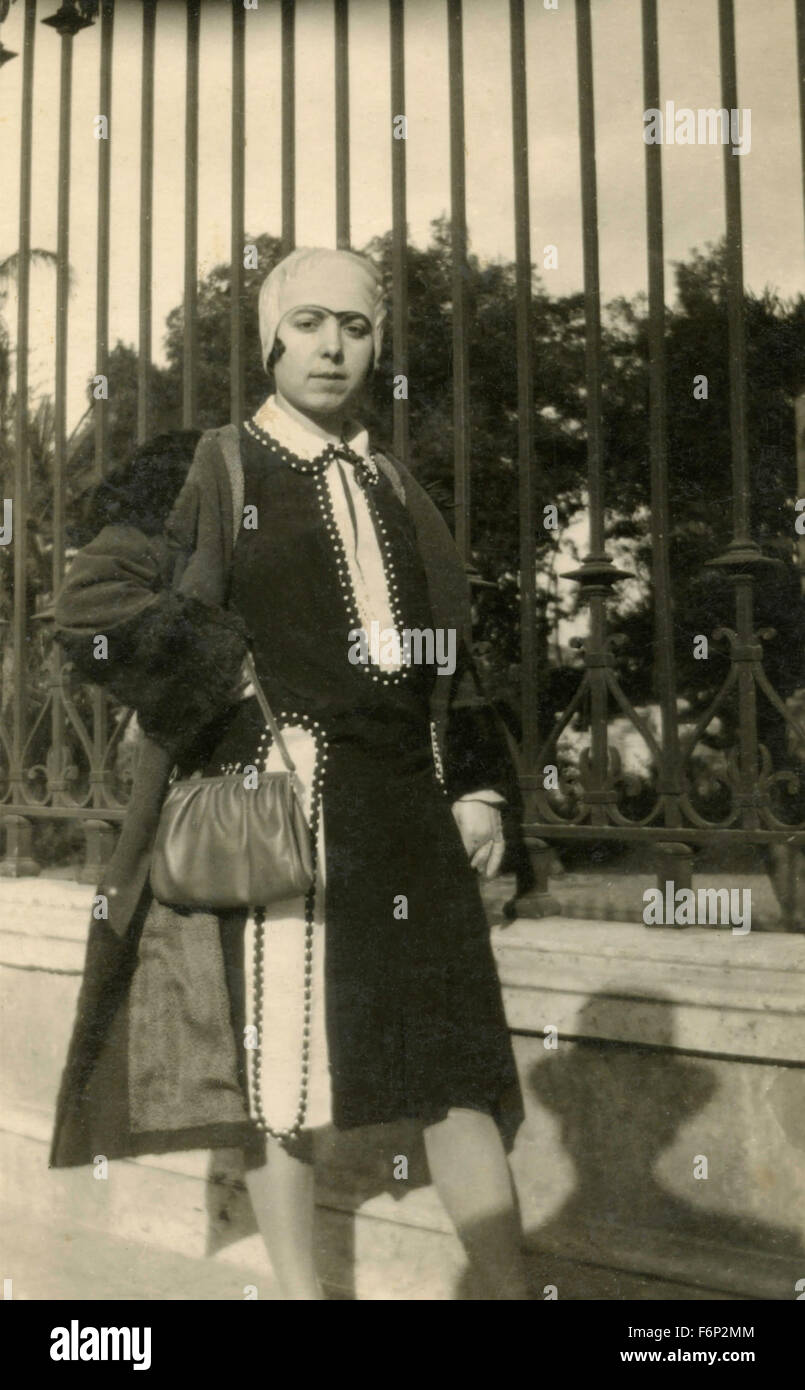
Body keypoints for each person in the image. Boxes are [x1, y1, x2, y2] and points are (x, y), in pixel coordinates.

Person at [50, 246, 529, 1300]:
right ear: (271, 339)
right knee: (288, 1082)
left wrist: (478, 785)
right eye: (309, 322)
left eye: (354, 327)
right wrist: (232, 679)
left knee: (454, 1068)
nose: (332, 345)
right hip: (287, 803)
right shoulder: (215, 464)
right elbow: (89, 613)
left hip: (407, 806)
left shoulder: (394, 482)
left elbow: (455, 648)